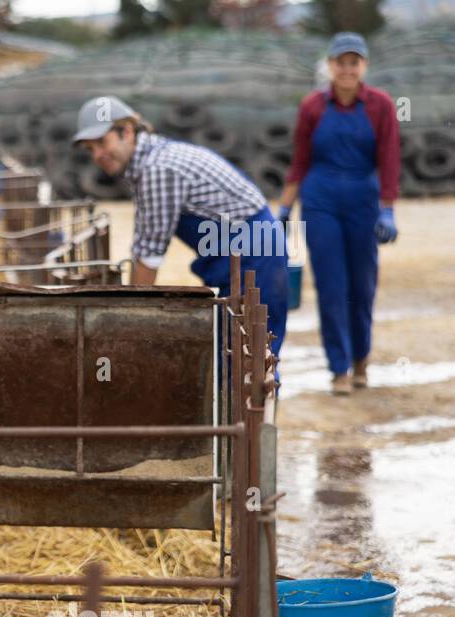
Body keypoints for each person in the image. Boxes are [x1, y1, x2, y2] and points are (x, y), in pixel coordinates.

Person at [72, 95, 289, 358]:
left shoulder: (158, 168)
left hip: (254, 252)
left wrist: (129, 323)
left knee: (249, 355)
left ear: (127, 131)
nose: (97, 155)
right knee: (237, 352)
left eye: (101, 143)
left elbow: (148, 257)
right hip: (240, 247)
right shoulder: (147, 162)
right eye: (90, 149)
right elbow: (144, 242)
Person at [279, 32, 400, 396]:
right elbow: (300, 160)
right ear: (330, 66)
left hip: (363, 200)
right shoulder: (313, 106)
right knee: (331, 286)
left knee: (362, 286)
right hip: (321, 201)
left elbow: (389, 160)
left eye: (354, 62)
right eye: (340, 62)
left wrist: (388, 209)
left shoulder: (381, 105)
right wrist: (284, 208)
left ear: (364, 66)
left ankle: (361, 358)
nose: (347, 69)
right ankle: (339, 368)